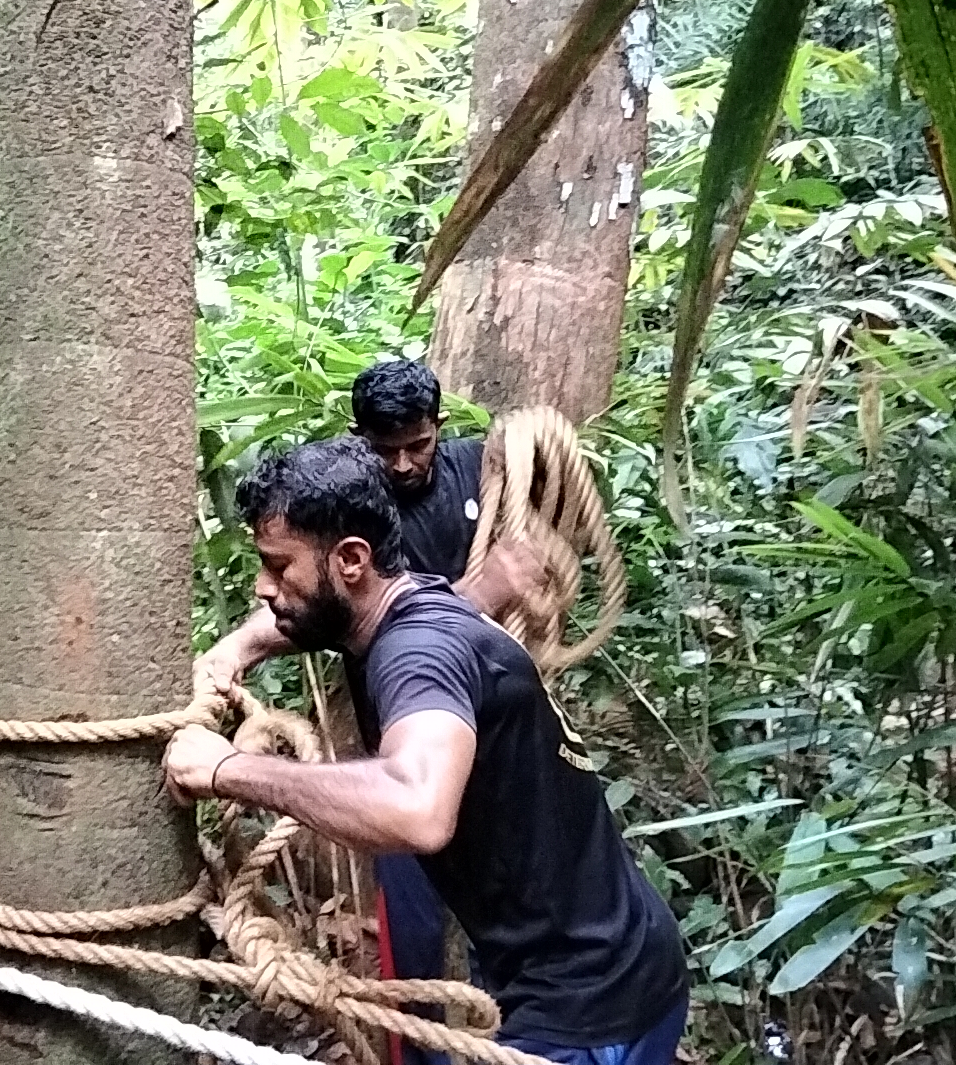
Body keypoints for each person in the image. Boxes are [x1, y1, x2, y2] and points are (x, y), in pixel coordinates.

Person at [165, 439, 688, 1065]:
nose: (264, 587)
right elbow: (312, 613)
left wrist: (225, 770)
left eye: (279, 567)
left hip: (590, 1005)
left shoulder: (416, 653)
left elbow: (417, 810)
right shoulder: (421, 605)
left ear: (352, 559)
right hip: (627, 960)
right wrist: (238, 649)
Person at [196, 359, 539, 1063]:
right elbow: (338, 604)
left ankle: (507, 1041)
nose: (406, 464)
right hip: (400, 757)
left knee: (505, 928)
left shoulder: (478, 470)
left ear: (439, 427)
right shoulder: (352, 509)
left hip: (492, 758)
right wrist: (235, 649)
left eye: (419, 445)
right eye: (388, 450)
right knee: (411, 942)